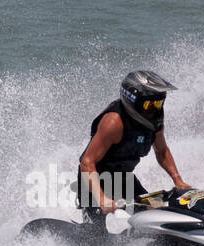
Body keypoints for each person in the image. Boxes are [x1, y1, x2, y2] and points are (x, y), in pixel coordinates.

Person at [77, 70, 191, 227]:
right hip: (94, 182)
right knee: (96, 238)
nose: (154, 110)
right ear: (132, 100)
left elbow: (162, 151)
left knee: (156, 212)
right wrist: (102, 198)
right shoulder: (114, 123)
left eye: (158, 104)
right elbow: (87, 162)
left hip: (123, 179)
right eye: (149, 105)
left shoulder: (154, 121)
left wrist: (178, 180)